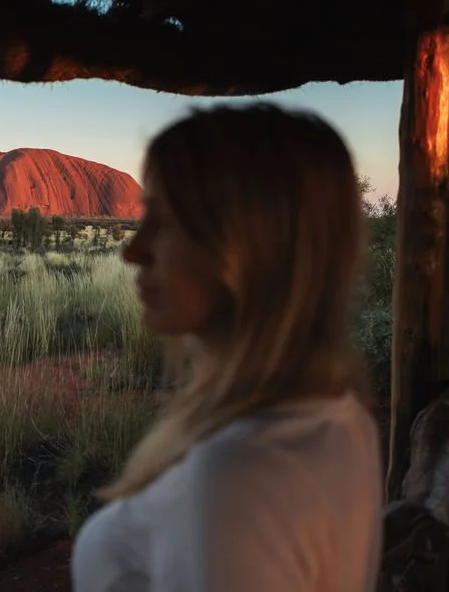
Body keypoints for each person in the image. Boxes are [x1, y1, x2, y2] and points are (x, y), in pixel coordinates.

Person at [71, 103, 383, 592]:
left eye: (166, 221)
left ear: (246, 246)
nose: (132, 251)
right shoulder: (341, 419)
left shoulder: (234, 480)